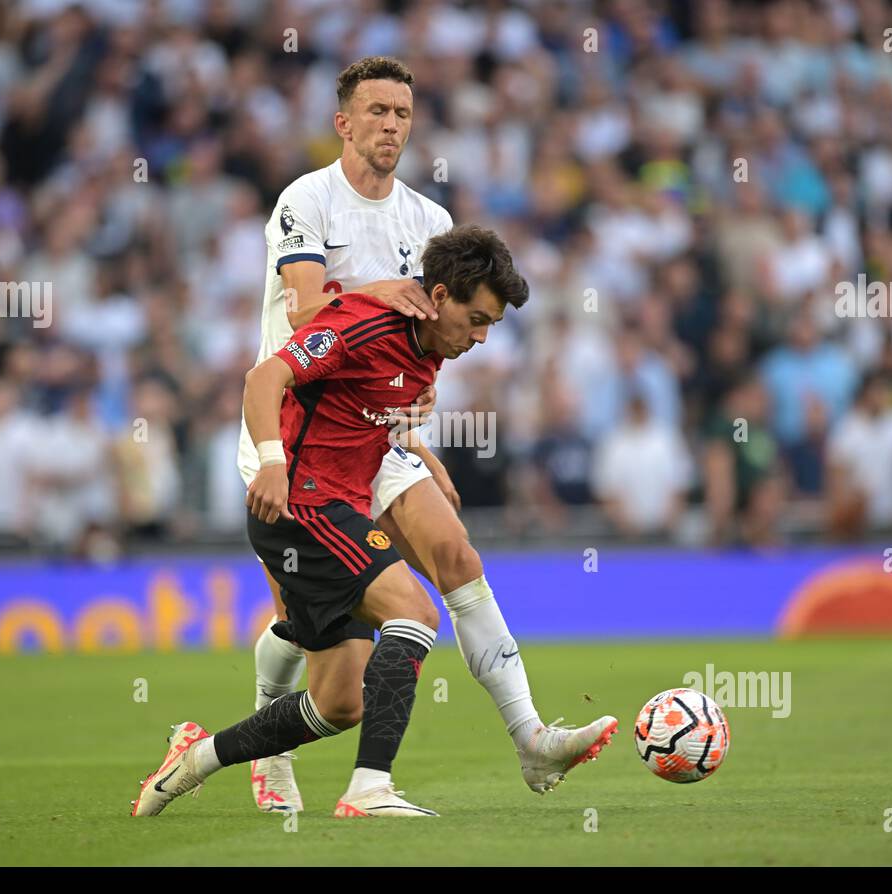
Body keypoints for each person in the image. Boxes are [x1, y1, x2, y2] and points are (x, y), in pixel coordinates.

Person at [133, 225, 616, 818]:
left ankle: (195, 758)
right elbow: (264, 379)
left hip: (338, 509)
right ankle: (369, 789)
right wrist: (270, 463)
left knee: (337, 703)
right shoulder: (362, 325)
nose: (484, 337)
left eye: (492, 324)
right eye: (479, 318)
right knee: (415, 612)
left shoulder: (430, 355)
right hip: (303, 506)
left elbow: (367, 414)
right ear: (438, 298)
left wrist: (422, 454)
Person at [238, 56, 615, 813]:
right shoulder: (305, 201)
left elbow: (426, 346)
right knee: (307, 632)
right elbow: (311, 313)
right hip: (296, 436)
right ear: (343, 122)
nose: (390, 125)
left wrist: (415, 441)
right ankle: (267, 755)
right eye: (376, 111)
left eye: (402, 113)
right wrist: (380, 289)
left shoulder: (429, 221)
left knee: (457, 556)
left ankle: (532, 739)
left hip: (379, 437)